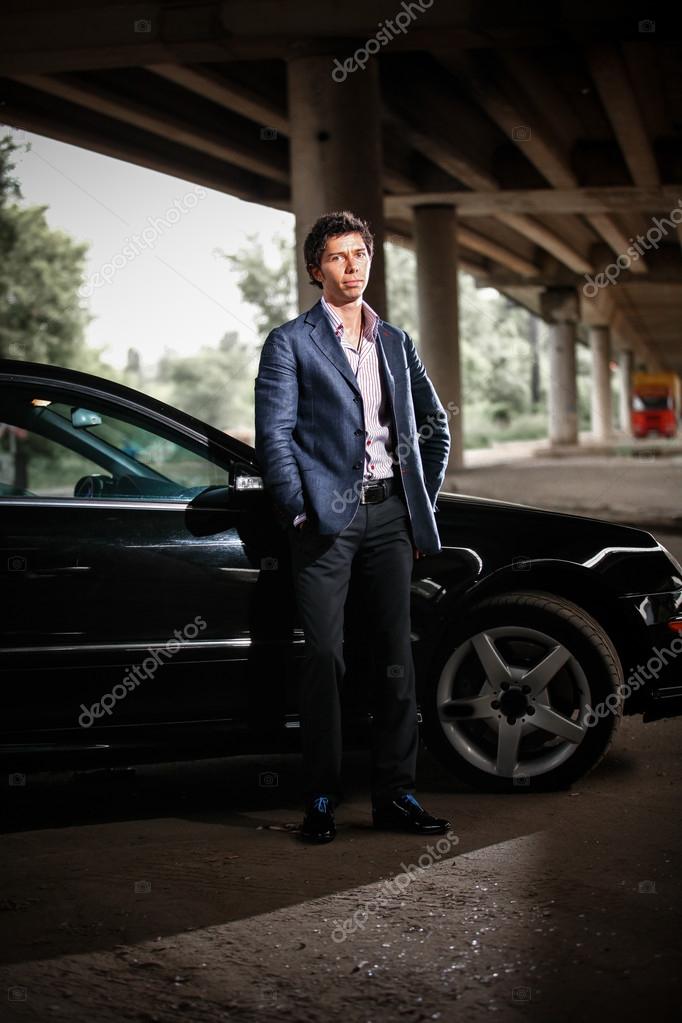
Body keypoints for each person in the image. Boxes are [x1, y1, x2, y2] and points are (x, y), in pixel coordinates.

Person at [254, 210, 452, 843]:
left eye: (361, 254)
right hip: (325, 523)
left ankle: (397, 795)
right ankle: (320, 797)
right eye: (338, 257)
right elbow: (275, 438)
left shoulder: (395, 342)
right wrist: (297, 508)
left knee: (396, 658)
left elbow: (434, 426)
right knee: (324, 659)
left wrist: (419, 500)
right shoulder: (289, 342)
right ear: (316, 270)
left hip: (391, 515)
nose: (352, 266)